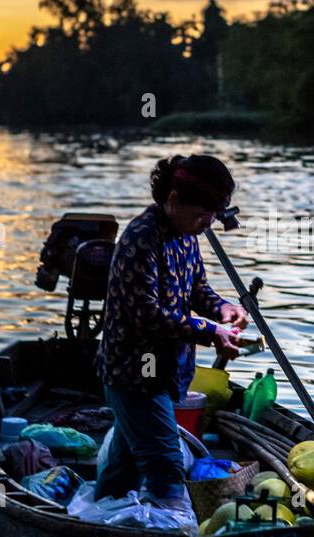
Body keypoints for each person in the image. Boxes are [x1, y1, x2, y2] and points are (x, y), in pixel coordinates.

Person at [94, 154, 247, 501]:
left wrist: (223, 309)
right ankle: (170, 532)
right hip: (134, 376)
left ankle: (101, 516)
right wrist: (211, 333)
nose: (206, 224)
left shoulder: (187, 234)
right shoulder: (140, 240)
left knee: (124, 465)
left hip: (167, 374)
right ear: (174, 200)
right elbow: (148, 316)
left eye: (211, 217)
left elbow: (196, 289)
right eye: (200, 215)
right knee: (165, 464)